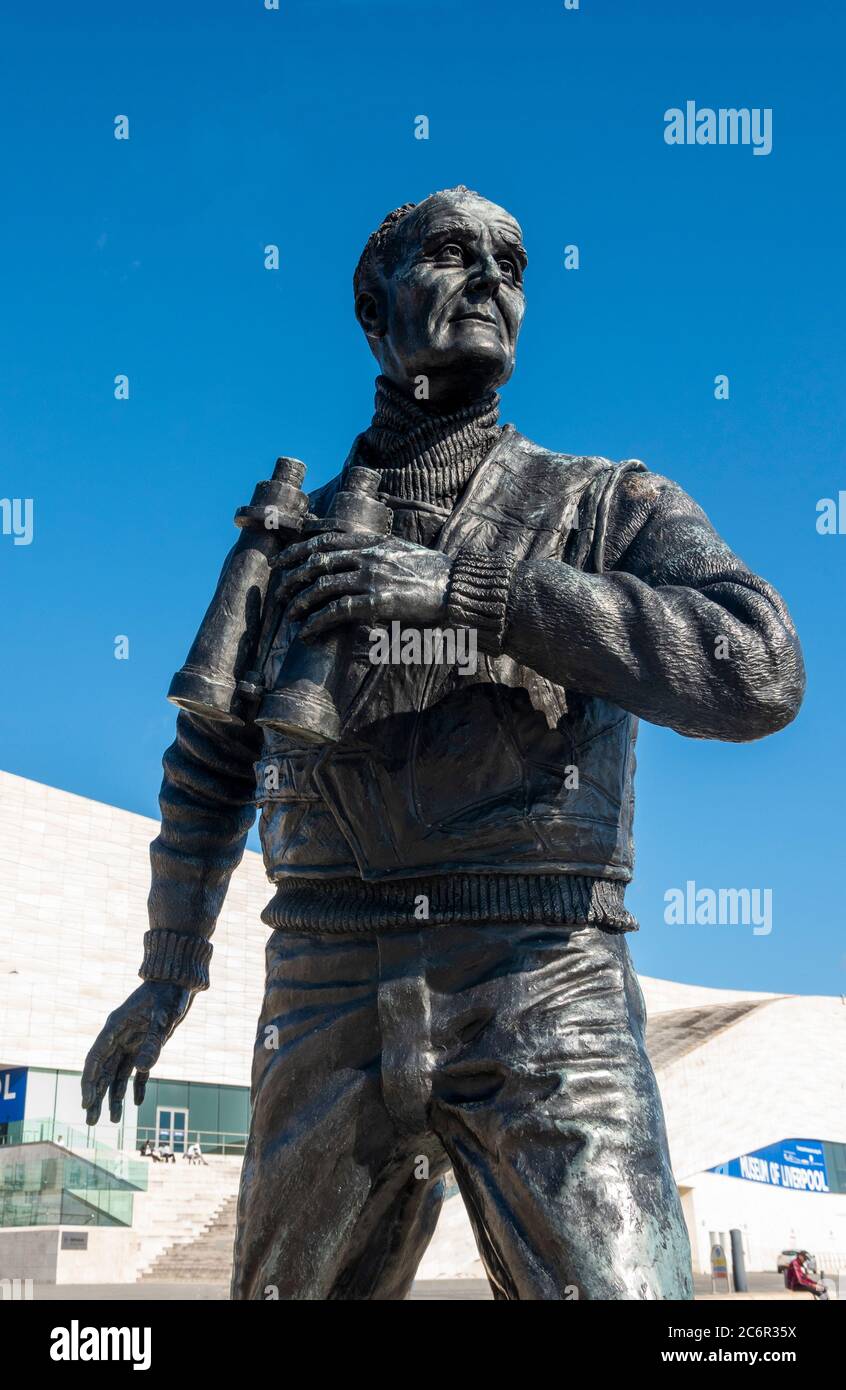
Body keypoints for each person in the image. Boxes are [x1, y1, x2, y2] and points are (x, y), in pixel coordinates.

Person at [82, 187, 804, 1300]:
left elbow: (759, 668)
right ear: (374, 306)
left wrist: (482, 593)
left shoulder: (606, 503)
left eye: (513, 267)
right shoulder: (290, 537)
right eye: (456, 254)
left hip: (542, 969)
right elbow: (211, 761)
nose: (493, 284)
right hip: (323, 973)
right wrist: (167, 971)